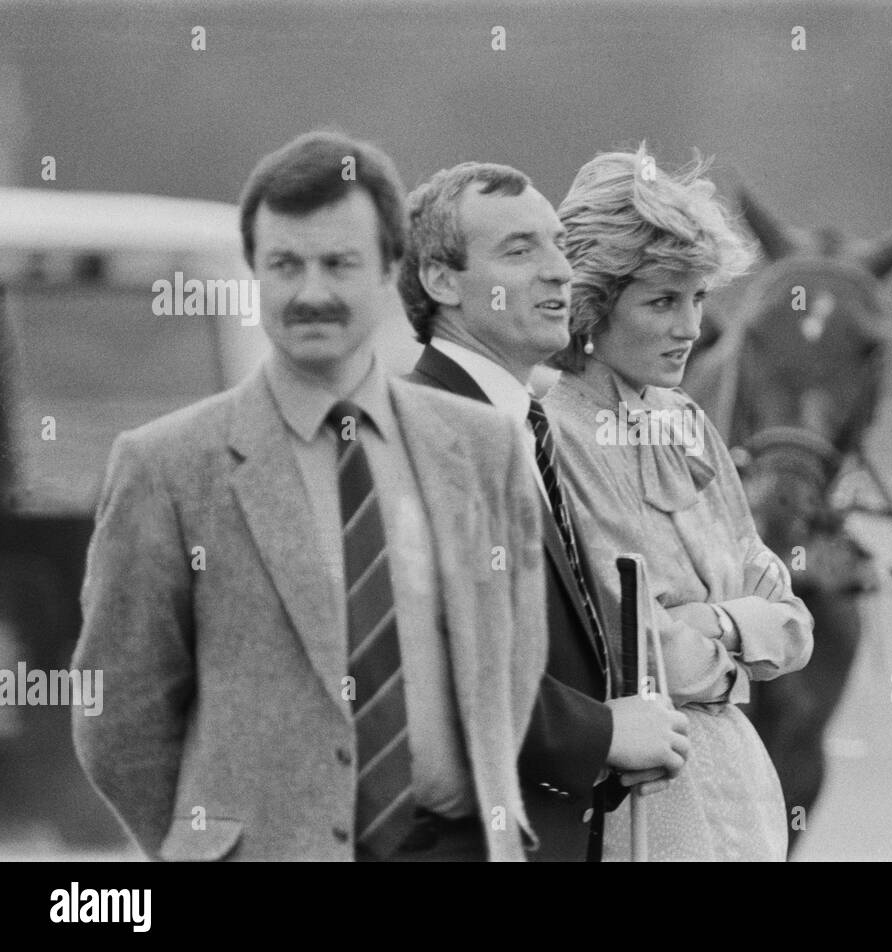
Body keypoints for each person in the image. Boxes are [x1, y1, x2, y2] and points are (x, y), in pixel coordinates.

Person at [72, 131, 548, 862]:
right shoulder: (166, 467)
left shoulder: (486, 447)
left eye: (339, 263)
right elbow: (120, 714)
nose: (311, 292)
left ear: (391, 269)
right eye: (285, 265)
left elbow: (513, 663)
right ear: (254, 272)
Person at [398, 161, 691, 862]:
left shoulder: (528, 427)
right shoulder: (418, 437)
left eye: (559, 244)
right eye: (520, 250)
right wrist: (601, 734)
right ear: (441, 281)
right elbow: (428, 668)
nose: (561, 271)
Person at [543, 146, 814, 861]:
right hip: (645, 800)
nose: (691, 327)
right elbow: (631, 650)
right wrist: (737, 643)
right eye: (663, 300)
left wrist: (707, 623)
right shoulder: (553, 430)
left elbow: (791, 624)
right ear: (591, 302)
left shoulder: (685, 421)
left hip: (744, 791)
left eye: (698, 298)